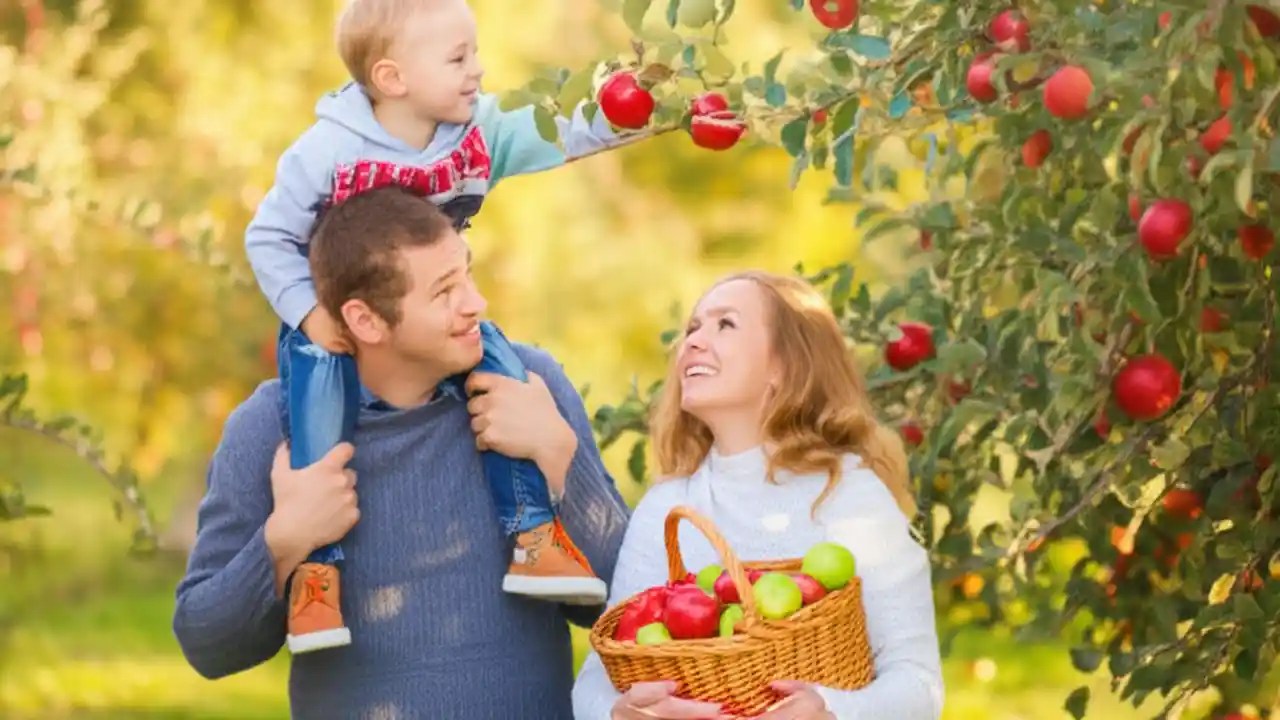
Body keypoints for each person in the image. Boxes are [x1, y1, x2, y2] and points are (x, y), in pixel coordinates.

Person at [245, 0, 635, 652]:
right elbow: (268, 236)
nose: (477, 71)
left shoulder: (478, 134)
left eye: (474, 53)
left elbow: (564, 131)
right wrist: (311, 315)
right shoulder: (329, 150)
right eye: (458, 59)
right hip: (338, 321)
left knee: (506, 373)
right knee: (316, 406)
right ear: (393, 78)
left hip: (441, 317)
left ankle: (533, 535)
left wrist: (642, 110)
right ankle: (318, 578)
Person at [174, 188, 631, 719]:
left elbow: (629, 609)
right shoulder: (270, 428)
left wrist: (559, 459)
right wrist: (285, 541)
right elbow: (206, 645)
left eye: (466, 274)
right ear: (366, 321)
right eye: (444, 292)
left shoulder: (528, 385)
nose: (476, 304)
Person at [571, 271, 945, 719]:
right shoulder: (669, 507)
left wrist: (831, 711)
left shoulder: (846, 495)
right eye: (692, 328)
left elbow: (918, 684)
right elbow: (598, 675)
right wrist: (623, 713)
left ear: (783, 366)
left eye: (724, 324)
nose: (692, 342)